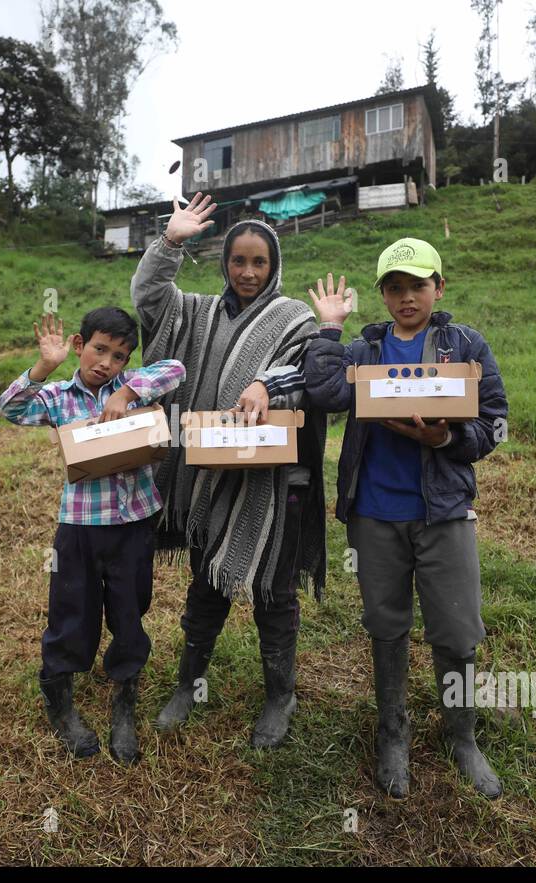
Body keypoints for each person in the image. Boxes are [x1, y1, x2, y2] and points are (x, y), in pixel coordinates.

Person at [301, 238, 509, 798]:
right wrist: (328, 329)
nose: (406, 297)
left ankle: (461, 736)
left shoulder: (465, 346)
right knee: (386, 624)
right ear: (383, 295)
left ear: (438, 288)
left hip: (443, 512)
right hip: (374, 513)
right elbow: (322, 392)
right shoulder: (364, 351)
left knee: (457, 630)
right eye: (395, 287)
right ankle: (392, 731)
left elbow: (494, 423)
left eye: (417, 285)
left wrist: (447, 436)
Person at [130, 193, 327, 749]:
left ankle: (279, 695)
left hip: (273, 483)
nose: (246, 271)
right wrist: (170, 242)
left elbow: (312, 374)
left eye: (258, 262)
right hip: (206, 477)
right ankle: (188, 685)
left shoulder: (294, 318)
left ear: (273, 267)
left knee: (274, 591)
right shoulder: (195, 313)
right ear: (224, 264)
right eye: (237, 261)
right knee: (204, 585)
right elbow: (147, 297)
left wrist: (269, 384)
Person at [0, 307, 185, 764]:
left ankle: (125, 699)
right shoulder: (60, 397)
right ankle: (60, 700)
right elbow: (10, 408)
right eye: (100, 350)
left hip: (135, 524)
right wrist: (44, 367)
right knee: (72, 611)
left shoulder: (134, 388)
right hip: (80, 528)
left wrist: (125, 391)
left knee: (129, 610)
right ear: (81, 346)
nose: (107, 362)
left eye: (119, 356)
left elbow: (175, 368)